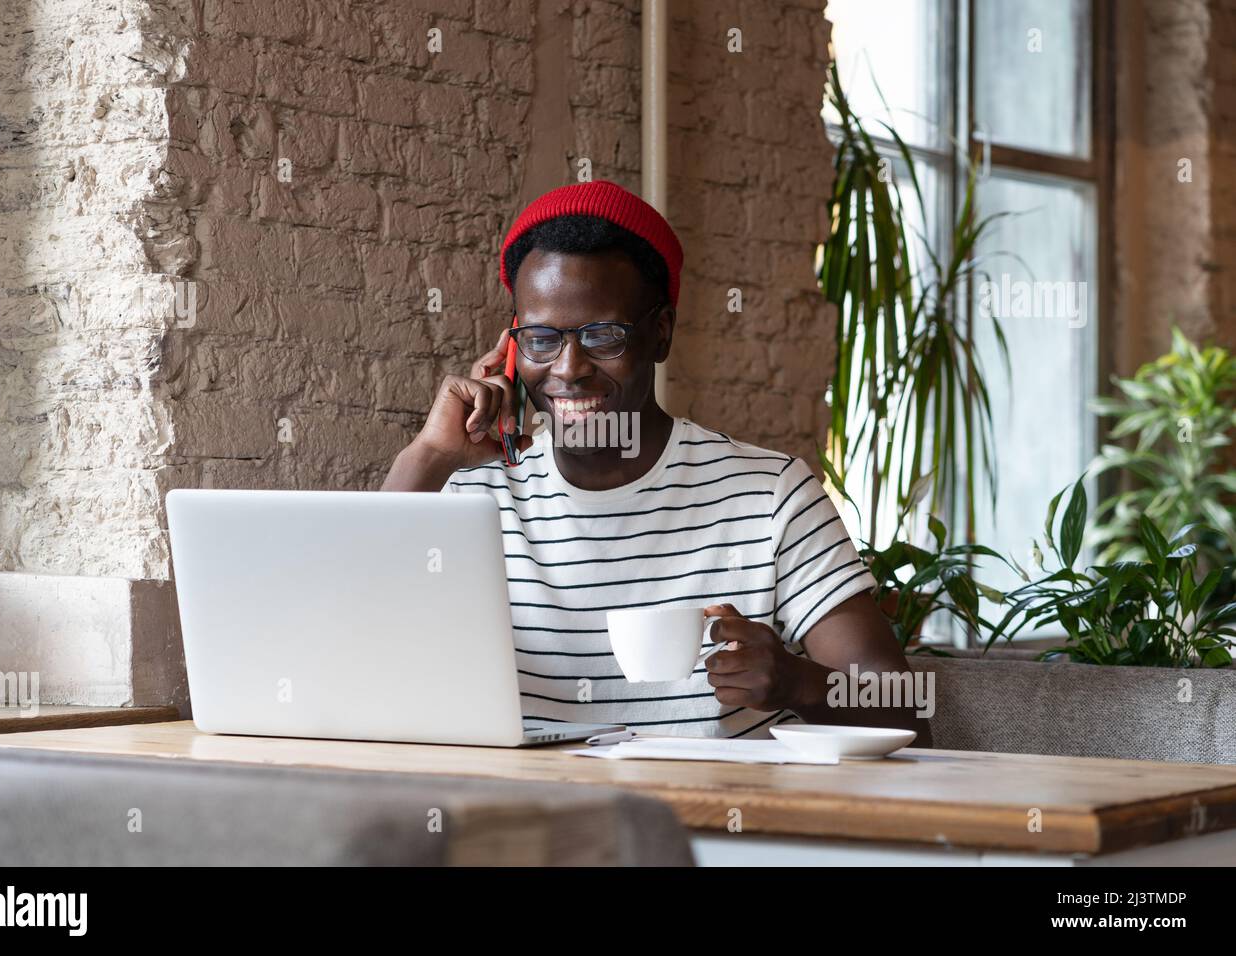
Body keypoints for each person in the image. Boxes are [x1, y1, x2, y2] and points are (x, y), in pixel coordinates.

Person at [383, 180, 931, 743]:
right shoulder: (473, 496)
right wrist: (430, 456)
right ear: (512, 347)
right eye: (542, 338)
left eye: (603, 335)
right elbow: (356, 646)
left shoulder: (770, 496)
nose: (568, 368)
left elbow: (905, 710)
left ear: (660, 333)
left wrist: (797, 682)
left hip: (715, 825)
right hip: (526, 821)